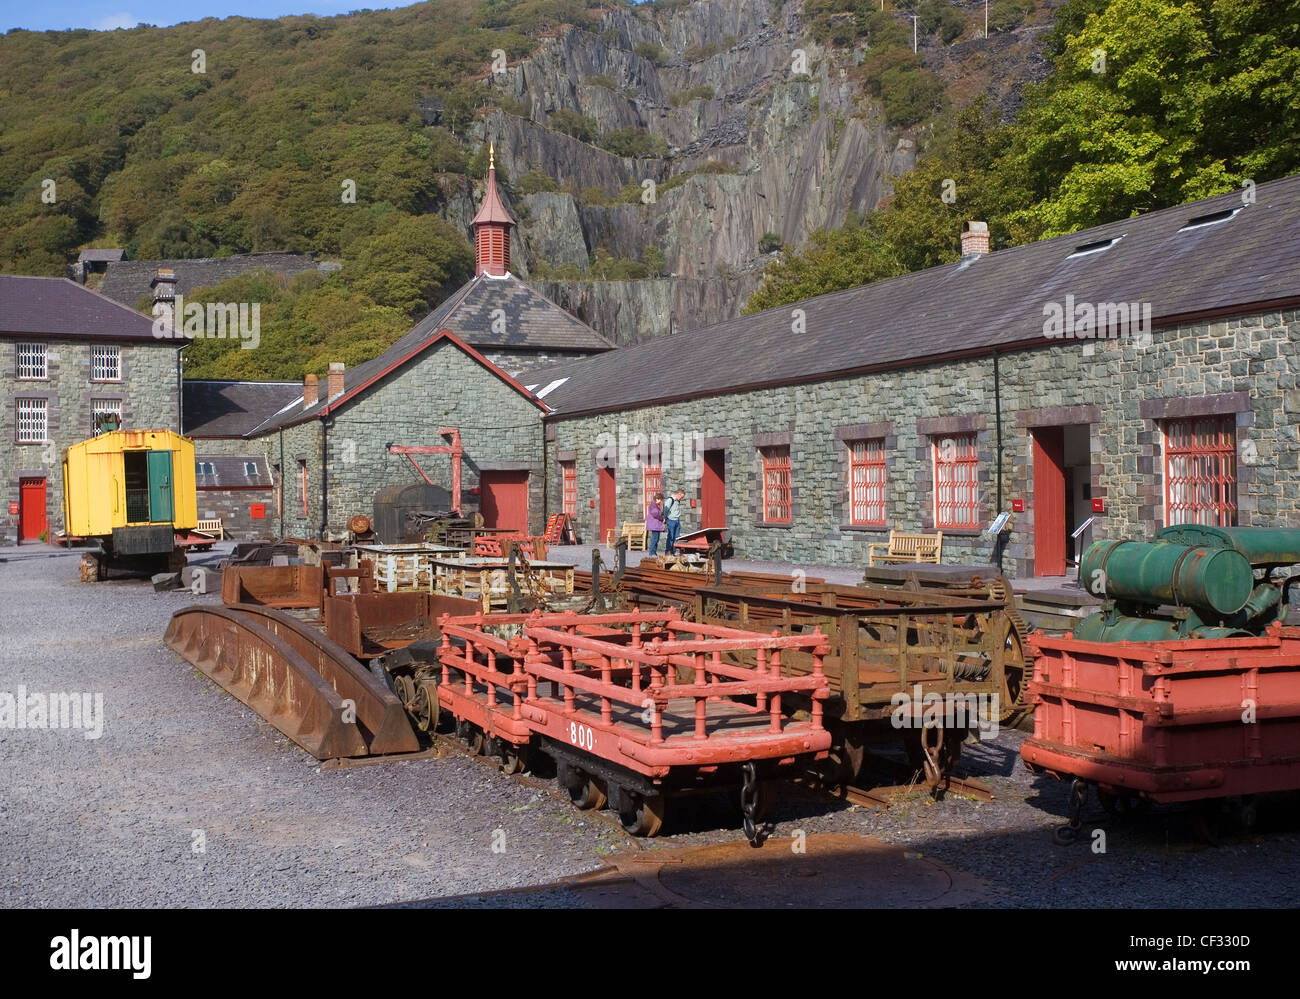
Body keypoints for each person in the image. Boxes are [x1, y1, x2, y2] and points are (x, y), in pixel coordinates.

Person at [663, 489, 685, 553]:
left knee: (676, 537)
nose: (681, 498)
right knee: (670, 537)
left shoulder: (677, 501)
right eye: (681, 497)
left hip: (677, 520)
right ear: (678, 494)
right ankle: (668, 552)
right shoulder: (670, 500)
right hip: (671, 520)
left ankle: (673, 552)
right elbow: (665, 509)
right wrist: (665, 518)